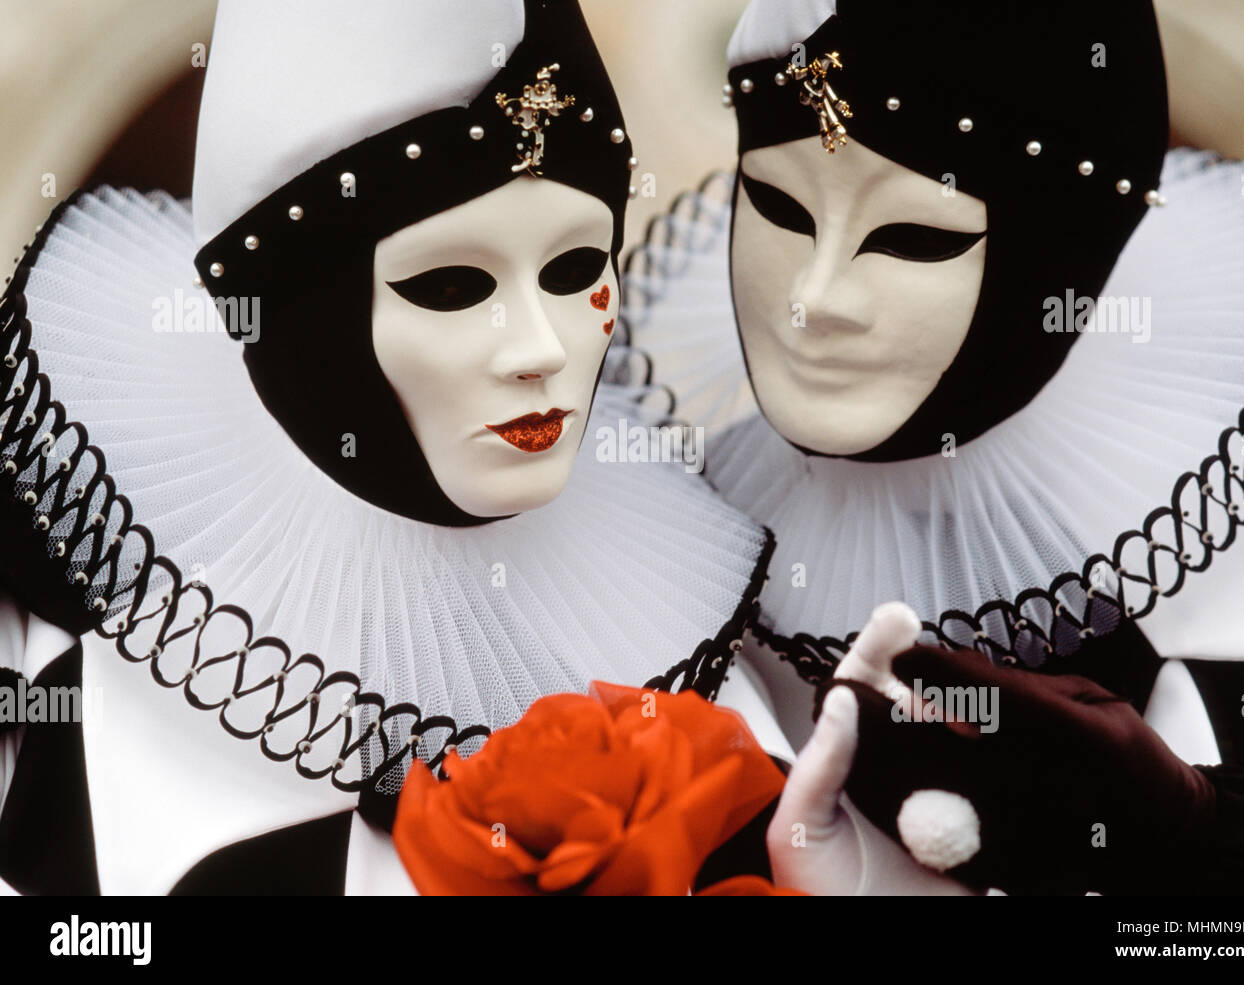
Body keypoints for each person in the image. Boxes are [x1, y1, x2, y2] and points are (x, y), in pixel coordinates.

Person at [0, 0, 778, 895]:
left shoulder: (683, 657)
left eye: (572, 268)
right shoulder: (79, 676)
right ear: (302, 317)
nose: (543, 349)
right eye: (451, 283)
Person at [617, 0, 1244, 891]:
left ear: (1057, 259)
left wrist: (1192, 839)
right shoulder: (651, 544)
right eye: (781, 208)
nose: (813, 298)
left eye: (912, 236)